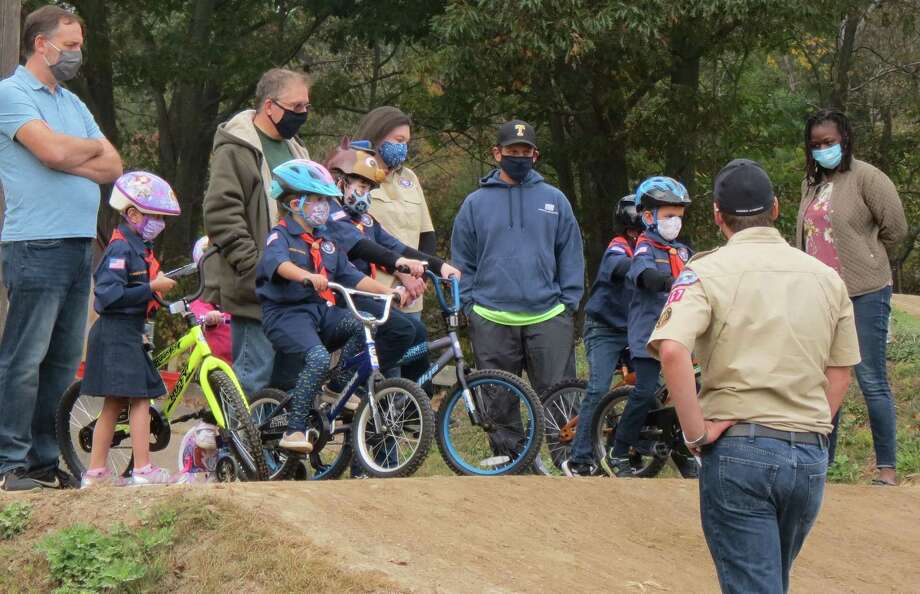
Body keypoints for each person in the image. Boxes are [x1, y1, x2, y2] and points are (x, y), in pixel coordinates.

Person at [648, 158, 860, 593]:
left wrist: (695, 434)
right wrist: (814, 423)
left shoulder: (704, 272)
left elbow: (672, 350)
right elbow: (841, 369)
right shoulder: (826, 278)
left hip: (739, 449)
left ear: (716, 216)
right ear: (778, 209)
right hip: (807, 456)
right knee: (770, 582)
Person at [0, 5, 123, 491]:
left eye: (78, 46)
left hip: (79, 244)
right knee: (24, 358)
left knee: (61, 359)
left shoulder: (72, 103)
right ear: (41, 44)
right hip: (35, 243)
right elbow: (48, 152)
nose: (76, 55)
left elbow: (113, 165)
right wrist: (72, 152)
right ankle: (8, 463)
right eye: (68, 46)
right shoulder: (10, 94)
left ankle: (43, 460)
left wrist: (66, 154)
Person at [255, 159, 409, 453]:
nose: (325, 206)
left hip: (319, 312)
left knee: (363, 324)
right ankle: (294, 430)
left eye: (327, 200)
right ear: (294, 202)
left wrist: (389, 293)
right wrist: (308, 277)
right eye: (317, 200)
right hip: (287, 315)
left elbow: (353, 276)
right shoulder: (281, 235)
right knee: (317, 359)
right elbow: (281, 265)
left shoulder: (326, 240)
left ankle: (337, 386)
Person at [451, 119, 584, 458]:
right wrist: (469, 306)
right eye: (512, 151)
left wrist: (568, 303)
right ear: (497, 153)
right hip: (491, 316)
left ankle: (567, 464)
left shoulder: (555, 199)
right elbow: (461, 260)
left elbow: (570, 253)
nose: (519, 157)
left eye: (526, 152)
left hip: (548, 314)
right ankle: (510, 465)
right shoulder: (474, 204)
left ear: (535, 155)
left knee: (559, 397)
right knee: (498, 399)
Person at [796, 109, 907, 486]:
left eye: (829, 142)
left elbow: (896, 227)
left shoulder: (867, 178)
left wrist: (869, 256)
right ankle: (822, 463)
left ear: (845, 139)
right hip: (820, 296)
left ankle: (887, 468)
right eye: (816, 144)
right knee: (827, 378)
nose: (823, 149)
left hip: (864, 292)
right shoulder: (810, 184)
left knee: (870, 378)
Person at [203, 68, 311, 398]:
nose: (303, 114)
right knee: (252, 382)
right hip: (255, 293)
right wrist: (256, 267)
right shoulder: (236, 148)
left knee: (288, 387)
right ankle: (232, 449)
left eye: (306, 107)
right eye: (296, 107)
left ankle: (274, 451)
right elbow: (221, 213)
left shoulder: (298, 152)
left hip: (293, 291)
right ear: (269, 106)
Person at [324, 139, 461, 385]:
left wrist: (440, 266)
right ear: (341, 182)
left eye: (370, 189)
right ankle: (345, 381)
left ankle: (413, 404)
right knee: (401, 330)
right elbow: (365, 248)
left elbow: (395, 245)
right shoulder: (332, 216)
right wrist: (401, 264)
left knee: (417, 332)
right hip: (345, 298)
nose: (366, 195)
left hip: (365, 297)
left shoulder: (364, 219)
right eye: (362, 186)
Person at [80, 172, 181, 487]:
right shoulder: (121, 249)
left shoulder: (141, 248)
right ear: (132, 213)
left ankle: (96, 473)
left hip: (129, 332)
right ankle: (143, 469)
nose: (158, 222)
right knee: (139, 399)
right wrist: (151, 287)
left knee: (116, 402)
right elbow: (107, 298)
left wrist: (154, 288)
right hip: (116, 332)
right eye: (153, 215)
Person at [606, 176, 692, 477]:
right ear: (647, 217)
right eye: (669, 216)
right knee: (643, 391)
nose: (675, 222)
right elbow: (644, 276)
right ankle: (618, 450)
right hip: (649, 333)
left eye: (679, 216)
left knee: (685, 393)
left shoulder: (682, 251)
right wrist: (669, 281)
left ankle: (683, 453)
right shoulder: (645, 247)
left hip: (678, 332)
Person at [562, 195, 641, 477]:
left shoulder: (661, 251)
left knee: (648, 386)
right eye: (633, 231)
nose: (637, 235)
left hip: (635, 330)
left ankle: (628, 449)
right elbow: (617, 266)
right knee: (598, 387)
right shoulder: (618, 247)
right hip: (605, 328)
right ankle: (579, 458)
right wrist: (645, 270)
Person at [354, 107, 435, 317]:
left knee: (415, 350)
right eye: (398, 140)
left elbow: (427, 236)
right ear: (378, 135)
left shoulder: (409, 177)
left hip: (412, 298)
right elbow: (354, 240)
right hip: (373, 294)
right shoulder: (353, 178)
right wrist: (401, 272)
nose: (403, 148)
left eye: (406, 143)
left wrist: (417, 280)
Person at [188, 237, 233, 364]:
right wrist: (208, 318)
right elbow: (198, 317)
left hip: (239, 362)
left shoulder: (236, 298)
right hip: (214, 365)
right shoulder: (200, 300)